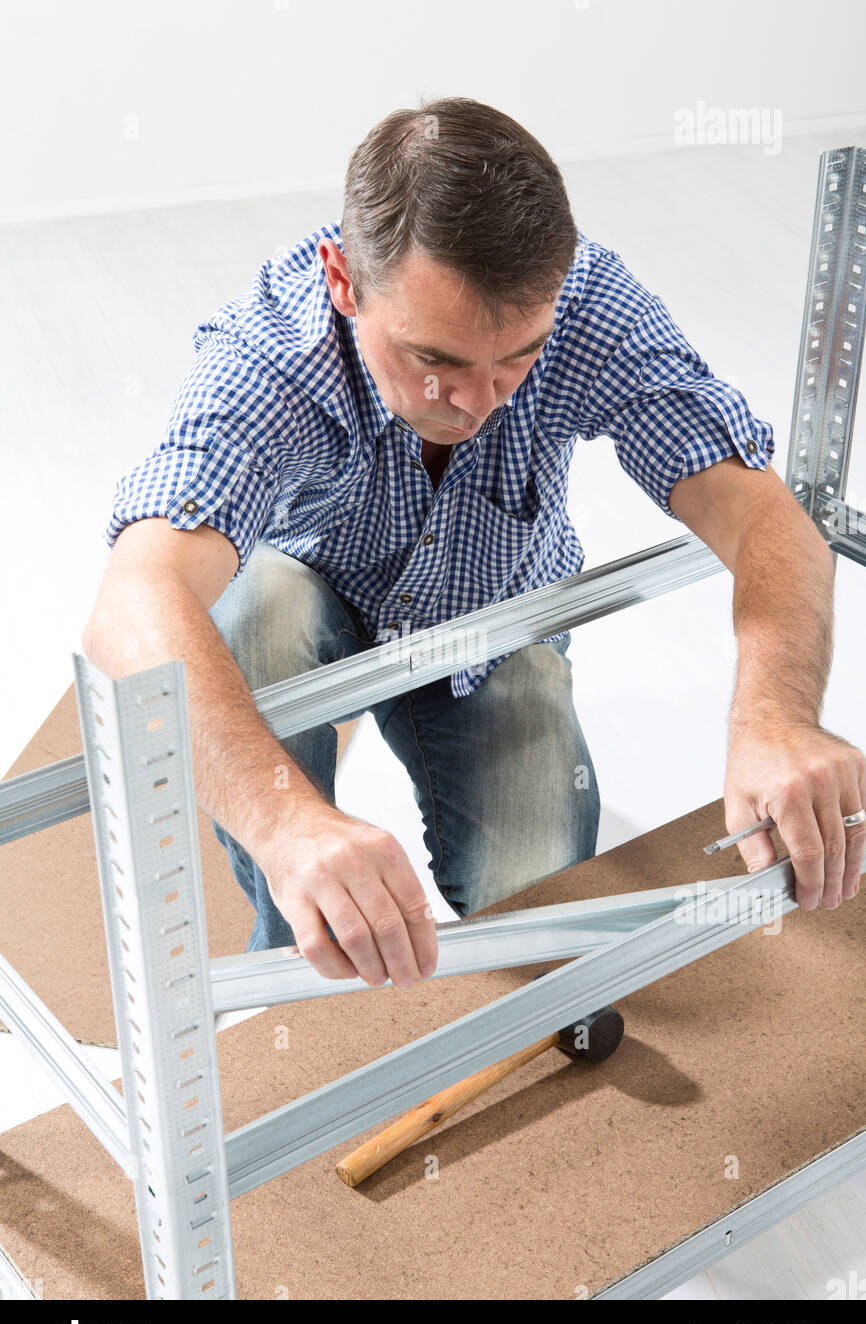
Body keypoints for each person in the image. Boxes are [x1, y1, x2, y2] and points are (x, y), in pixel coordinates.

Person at [83, 97, 866, 992]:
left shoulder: (588, 302)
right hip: (310, 595)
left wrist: (775, 716)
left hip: (491, 618)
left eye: (518, 360)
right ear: (343, 281)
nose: (478, 402)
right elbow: (132, 601)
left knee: (546, 938)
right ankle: (293, 952)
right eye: (436, 361)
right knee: (260, 617)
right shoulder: (270, 358)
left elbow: (765, 515)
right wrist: (287, 824)